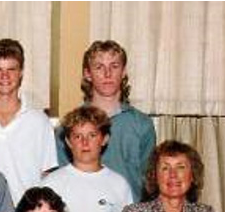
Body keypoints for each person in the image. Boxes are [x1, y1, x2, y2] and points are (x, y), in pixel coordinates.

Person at [43, 105, 134, 212]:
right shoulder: (52, 184)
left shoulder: (119, 184)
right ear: (69, 142)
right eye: (78, 136)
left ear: (104, 139)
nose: (85, 143)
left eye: (92, 135)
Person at [57, 40, 156, 200]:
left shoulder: (142, 124)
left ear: (123, 72)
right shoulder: (68, 127)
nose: (107, 74)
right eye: (99, 67)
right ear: (87, 74)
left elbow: (151, 182)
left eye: (114, 66)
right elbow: (61, 178)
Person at [0, 38, 58, 208]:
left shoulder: (39, 122)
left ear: (21, 72)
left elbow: (47, 175)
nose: (5, 76)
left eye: (11, 69)